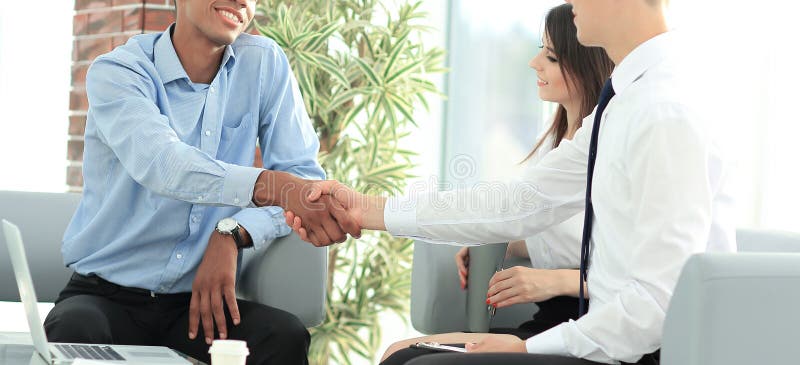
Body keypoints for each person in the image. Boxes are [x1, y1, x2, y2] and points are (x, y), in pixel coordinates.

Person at [285, 0, 736, 363]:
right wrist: (368, 209)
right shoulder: (626, 102)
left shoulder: (663, 110)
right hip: (609, 339)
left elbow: (658, 305)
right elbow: (521, 201)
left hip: (636, 351)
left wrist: (526, 346)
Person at [43, 1, 358, 364]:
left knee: (283, 337)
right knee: (73, 332)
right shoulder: (119, 72)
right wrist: (277, 186)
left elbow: (303, 177)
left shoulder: (264, 64)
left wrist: (232, 232)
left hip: (198, 304)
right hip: (105, 298)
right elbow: (164, 164)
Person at [377, 4, 613, 363]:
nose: (535, 64)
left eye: (549, 56)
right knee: (399, 352)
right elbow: (546, 225)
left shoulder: (607, 147)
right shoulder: (553, 147)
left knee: (405, 360)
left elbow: (634, 275)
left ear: (583, 65)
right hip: (550, 320)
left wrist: (557, 281)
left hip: (592, 329)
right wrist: (504, 244)